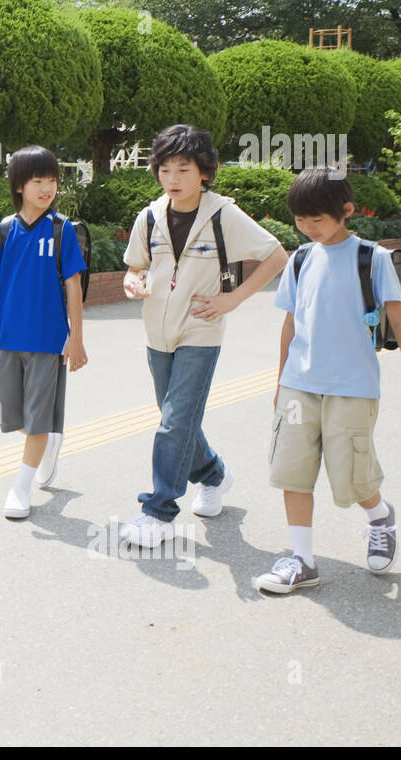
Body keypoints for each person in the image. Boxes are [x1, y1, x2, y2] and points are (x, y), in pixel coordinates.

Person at [256, 167, 401, 594]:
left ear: (347, 211)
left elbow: (400, 322)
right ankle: (303, 561)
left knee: (350, 476)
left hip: (353, 385)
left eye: (317, 219)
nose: (308, 228)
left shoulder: (372, 258)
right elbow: (290, 324)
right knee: (292, 471)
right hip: (301, 383)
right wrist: (280, 380)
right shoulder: (300, 258)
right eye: (301, 220)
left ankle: (378, 516)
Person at [119, 125, 288, 546]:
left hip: (201, 330)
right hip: (157, 330)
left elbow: (276, 255)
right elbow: (134, 267)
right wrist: (133, 281)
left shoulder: (222, 215)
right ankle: (214, 475)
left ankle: (158, 511)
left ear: (204, 173)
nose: (173, 179)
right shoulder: (150, 215)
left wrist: (235, 299)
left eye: (183, 169)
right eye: (165, 169)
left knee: (175, 422)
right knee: (175, 417)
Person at [0, 146, 87, 520]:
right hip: (8, 339)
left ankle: (20, 487)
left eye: (52, 180)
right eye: (38, 181)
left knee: (36, 418)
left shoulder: (62, 230)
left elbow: (73, 285)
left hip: (47, 341)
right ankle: (48, 442)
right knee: (13, 417)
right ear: (19, 185)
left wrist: (77, 337)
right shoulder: (4, 231)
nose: (47, 188)